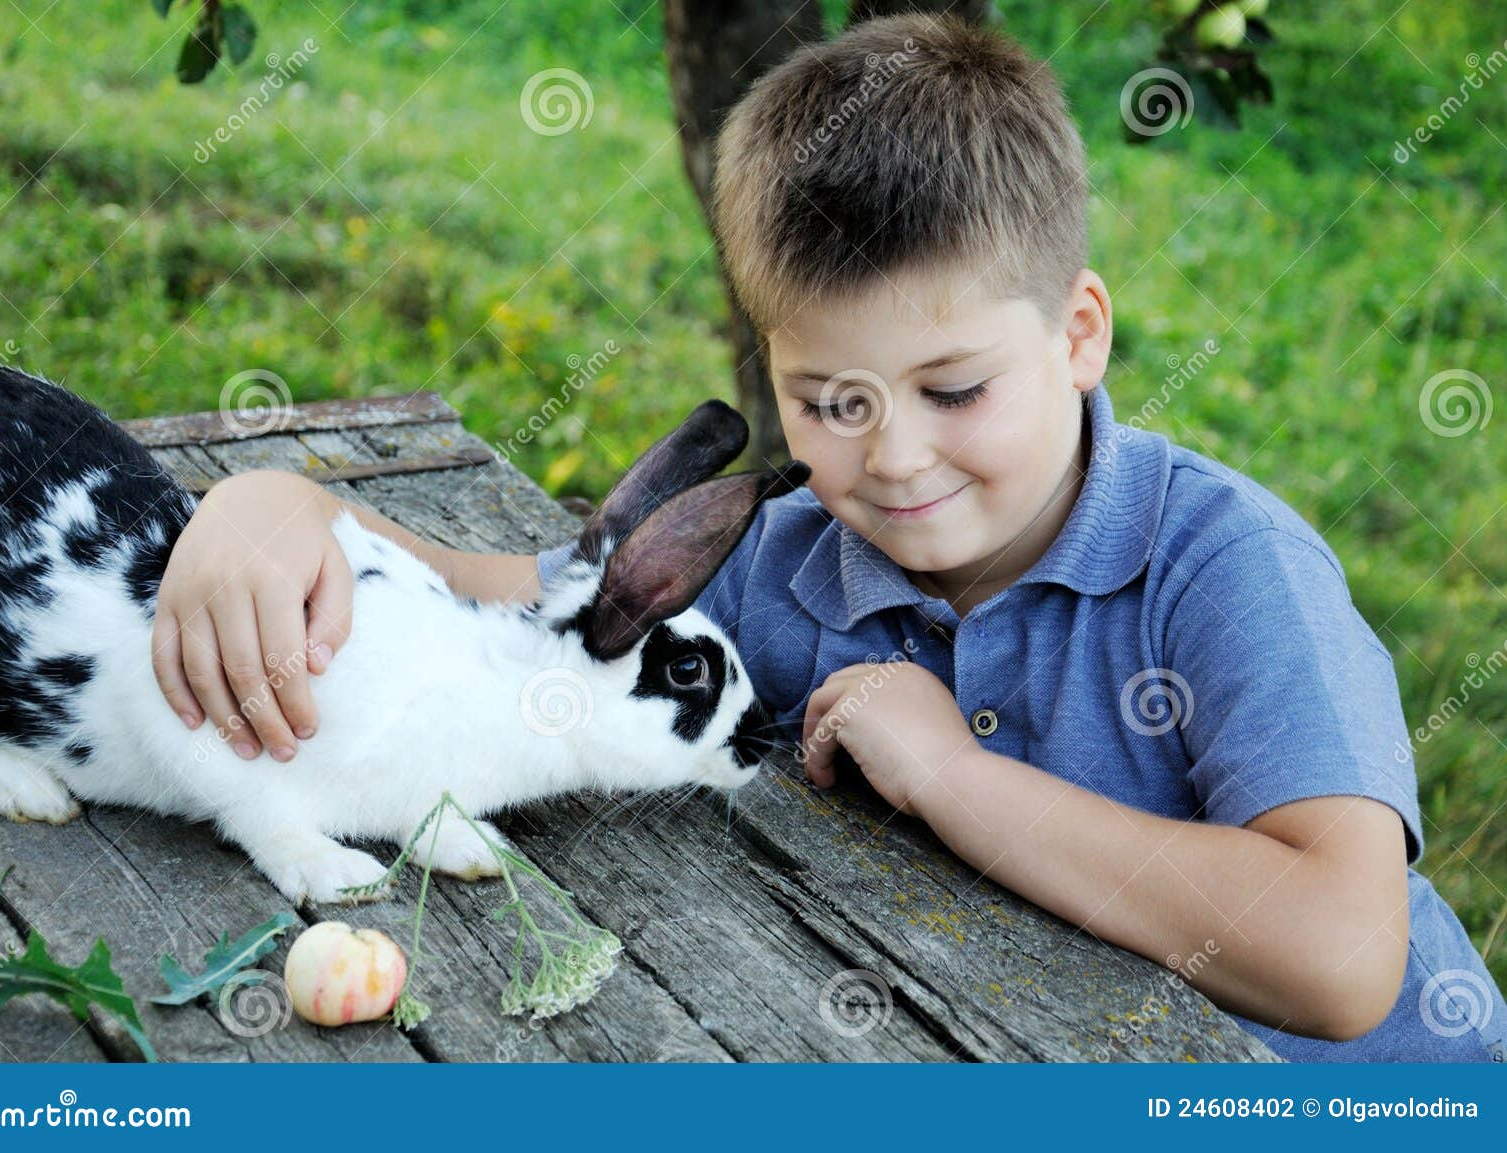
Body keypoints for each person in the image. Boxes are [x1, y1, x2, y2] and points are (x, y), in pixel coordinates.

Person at [150, 15, 1505, 1061]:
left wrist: (948, 774)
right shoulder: (791, 556)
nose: (894, 457)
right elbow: (519, 608)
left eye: (956, 389)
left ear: (1080, 333)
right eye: (829, 401)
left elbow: (1341, 956)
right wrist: (281, 504)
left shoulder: (1223, 566)